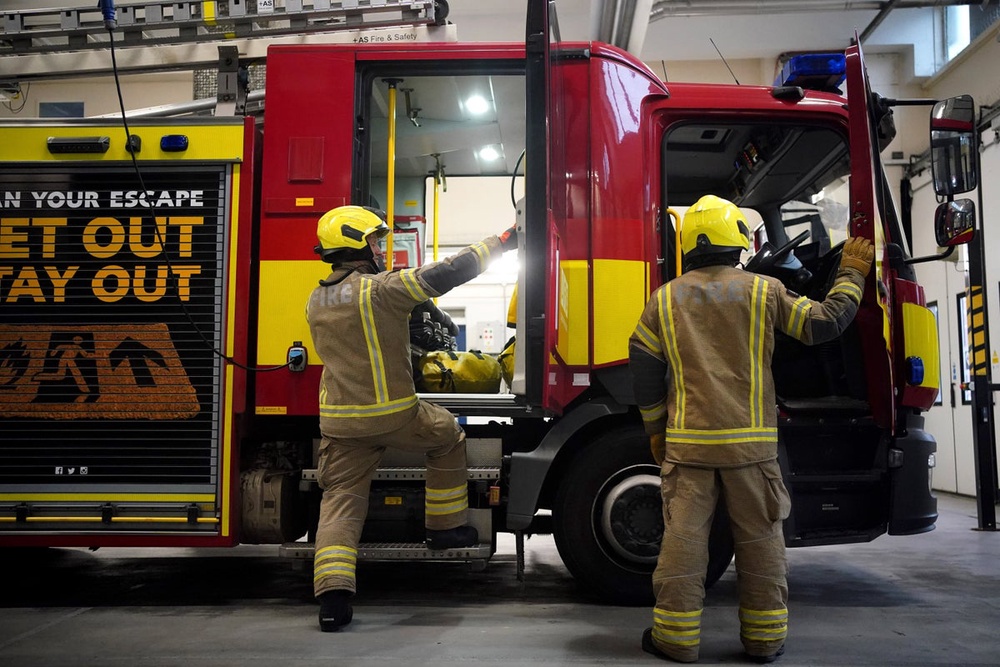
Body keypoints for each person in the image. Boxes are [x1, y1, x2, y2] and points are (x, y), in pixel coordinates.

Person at [628, 195, 874, 663]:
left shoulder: (664, 298)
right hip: (752, 450)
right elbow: (824, 325)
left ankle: (676, 639)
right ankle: (764, 641)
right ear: (738, 240)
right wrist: (851, 273)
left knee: (683, 543)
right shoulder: (763, 290)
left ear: (688, 245)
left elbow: (643, 367)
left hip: (689, 445)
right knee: (761, 543)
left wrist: (656, 430)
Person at [305, 205, 518, 632]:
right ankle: (443, 528)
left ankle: (332, 599)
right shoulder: (379, 289)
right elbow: (446, 273)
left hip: (339, 423)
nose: (380, 249)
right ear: (357, 244)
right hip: (392, 414)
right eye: (375, 241)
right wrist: (503, 241)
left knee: (341, 503)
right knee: (447, 435)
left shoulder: (317, 297)